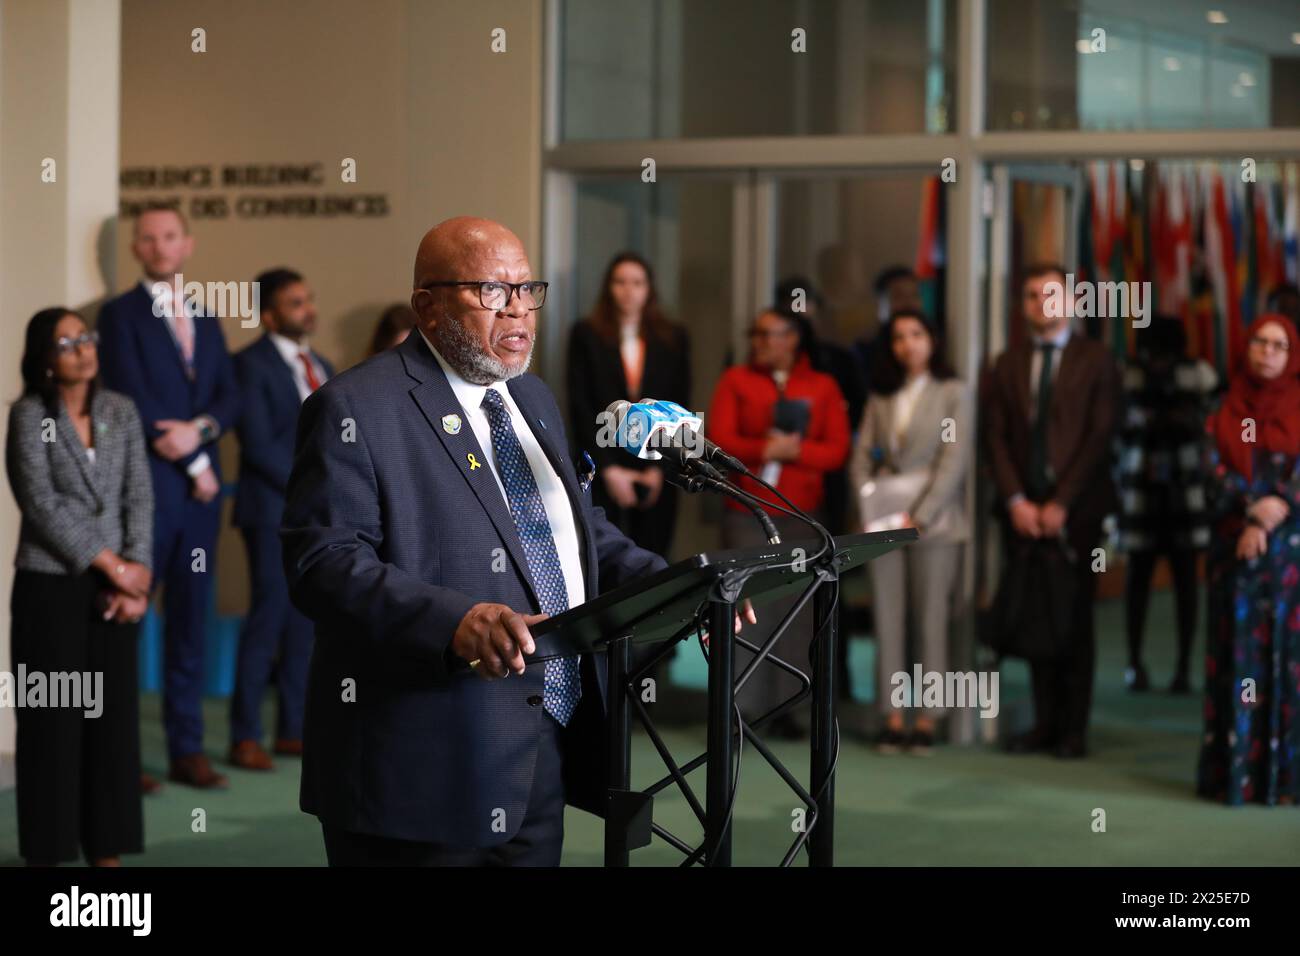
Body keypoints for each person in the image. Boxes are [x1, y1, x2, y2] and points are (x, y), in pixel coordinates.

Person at [281, 217, 750, 866]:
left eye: (529, 290)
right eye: (492, 292)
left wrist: (681, 584)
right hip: (420, 763)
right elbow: (323, 563)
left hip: (537, 750)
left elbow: (578, 534)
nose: (519, 311)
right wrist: (455, 621)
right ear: (427, 304)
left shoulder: (531, 398)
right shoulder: (356, 408)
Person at [97, 206, 241, 789]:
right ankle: (117, 756)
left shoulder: (207, 318)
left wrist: (201, 434)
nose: (159, 247)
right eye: (148, 238)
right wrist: (199, 460)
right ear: (136, 249)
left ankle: (187, 751)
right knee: (125, 622)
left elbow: (228, 397)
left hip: (198, 505)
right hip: (146, 494)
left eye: (170, 236)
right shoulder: (118, 315)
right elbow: (128, 398)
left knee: (189, 624)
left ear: (188, 244)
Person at [5, 308, 153, 865]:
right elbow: (41, 504)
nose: (82, 350)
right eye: (66, 343)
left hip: (115, 597)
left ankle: (106, 852)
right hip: (52, 587)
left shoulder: (122, 411)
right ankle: (49, 853)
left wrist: (136, 576)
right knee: (53, 728)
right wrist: (114, 567)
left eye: (86, 339)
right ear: (45, 357)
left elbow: (139, 495)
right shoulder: (27, 416)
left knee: (110, 726)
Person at [982, 262, 1120, 759]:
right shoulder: (1006, 363)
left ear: (1072, 303)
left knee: (1073, 616)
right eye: (1031, 295)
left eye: (1050, 294)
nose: (1041, 303)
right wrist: (1017, 499)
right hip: (1022, 511)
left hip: (1077, 514)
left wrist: (1061, 503)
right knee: (1035, 614)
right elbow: (994, 438)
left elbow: (1099, 436)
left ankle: (1073, 729)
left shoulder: (1096, 359)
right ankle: (1043, 722)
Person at [707, 307, 851, 738]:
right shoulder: (736, 380)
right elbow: (720, 438)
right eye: (758, 335)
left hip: (800, 514)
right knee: (749, 611)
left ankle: (786, 707)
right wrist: (765, 447)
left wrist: (794, 453)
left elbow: (836, 450)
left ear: (794, 338)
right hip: (748, 511)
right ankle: (740, 711)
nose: (762, 343)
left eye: (772, 335)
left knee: (794, 614)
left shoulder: (821, 386)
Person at [850, 309, 971, 754]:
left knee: (930, 620)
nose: (908, 345)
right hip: (884, 523)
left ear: (933, 339)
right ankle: (893, 715)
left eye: (917, 334)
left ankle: (927, 718)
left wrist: (921, 512)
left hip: (935, 524)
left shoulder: (954, 392)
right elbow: (860, 457)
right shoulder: (881, 396)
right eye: (899, 337)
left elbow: (954, 461)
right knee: (887, 617)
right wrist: (869, 504)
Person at [228, 268, 334, 771]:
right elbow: (258, 444)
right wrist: (309, 485)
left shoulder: (323, 364)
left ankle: (292, 727)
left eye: (308, 299)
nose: (307, 309)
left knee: (305, 621)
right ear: (269, 314)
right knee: (267, 619)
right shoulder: (248, 365)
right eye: (295, 302)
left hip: (315, 516)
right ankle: (244, 734)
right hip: (271, 509)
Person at [1198, 313, 1300, 806]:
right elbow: (1208, 472)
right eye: (1258, 341)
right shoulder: (1223, 407)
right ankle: (1233, 776)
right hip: (1232, 552)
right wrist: (1246, 508)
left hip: (1289, 559)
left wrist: (1263, 520)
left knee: (1286, 660)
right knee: (1237, 659)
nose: (1267, 352)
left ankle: (1283, 780)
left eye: (1279, 345)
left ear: (1291, 354)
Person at [566, 252, 690, 558]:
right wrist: (607, 469)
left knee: (655, 558)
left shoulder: (674, 338)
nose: (628, 290)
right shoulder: (586, 335)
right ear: (608, 287)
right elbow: (581, 406)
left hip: (659, 466)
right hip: (604, 462)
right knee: (607, 556)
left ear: (649, 289)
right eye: (620, 282)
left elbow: (679, 405)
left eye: (637, 282)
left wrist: (660, 469)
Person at [1116, 316, 1216, 694]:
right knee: (1137, 581)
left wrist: (1184, 421)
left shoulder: (1197, 374)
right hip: (1140, 490)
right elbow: (1116, 424)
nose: (1157, 362)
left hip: (1186, 491)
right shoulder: (1129, 375)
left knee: (1187, 583)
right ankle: (1133, 661)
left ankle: (1183, 667)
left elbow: (1214, 422)